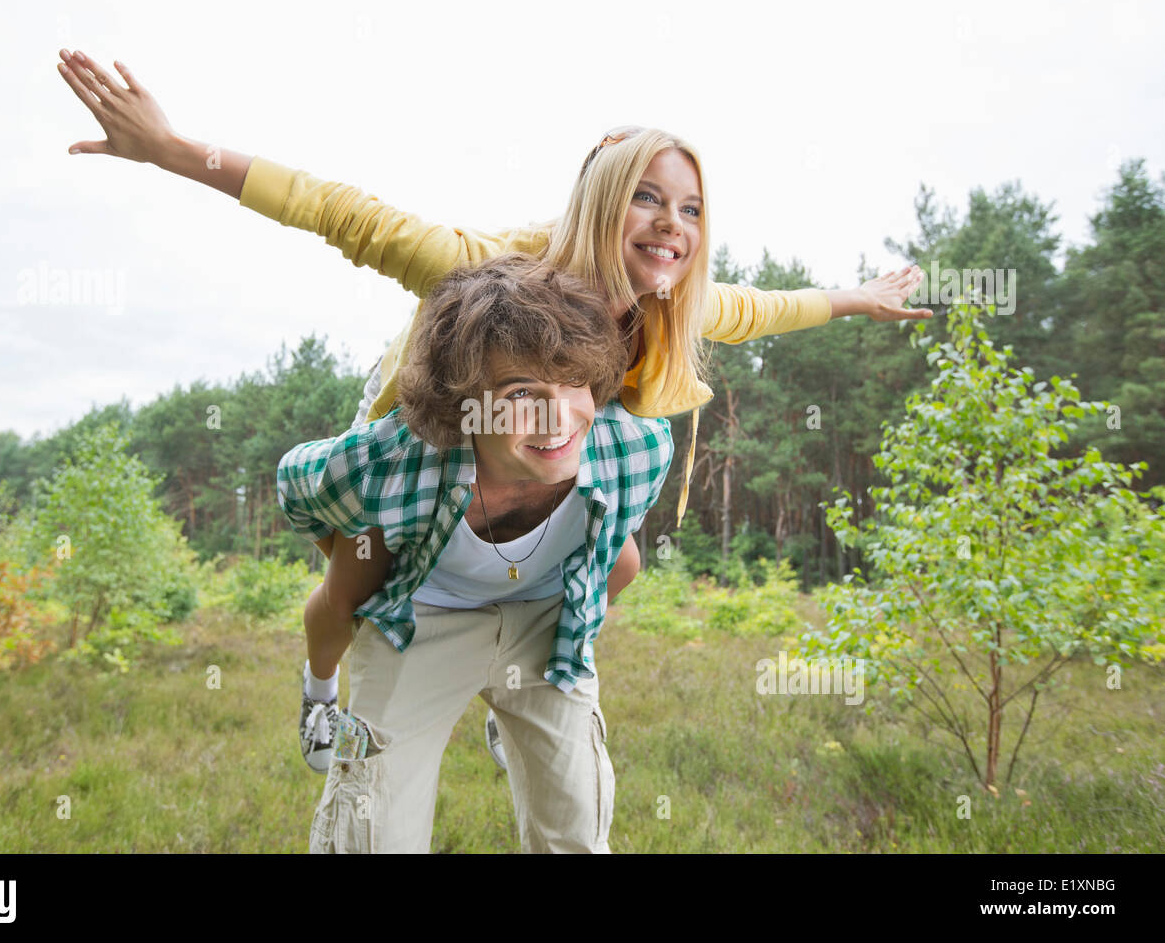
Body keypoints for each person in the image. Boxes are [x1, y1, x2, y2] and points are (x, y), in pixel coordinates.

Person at [53, 48, 931, 766]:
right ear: (601, 198)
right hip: (434, 445)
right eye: (649, 197)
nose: (674, 223)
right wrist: (173, 149)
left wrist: (858, 297)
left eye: (692, 208)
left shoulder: (675, 306)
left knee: (621, 567)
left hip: (539, 469)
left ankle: (518, 690)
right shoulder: (492, 267)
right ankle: (321, 695)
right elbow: (343, 214)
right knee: (354, 585)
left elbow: (771, 307)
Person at [278, 252, 672, 851]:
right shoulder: (383, 465)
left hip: (544, 616)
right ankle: (320, 693)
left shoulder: (638, 446)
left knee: (576, 823)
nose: (557, 417)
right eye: (520, 392)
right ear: (462, 405)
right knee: (373, 829)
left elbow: (614, 547)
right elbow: (296, 483)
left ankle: (512, 708)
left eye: (574, 381)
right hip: (423, 614)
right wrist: (354, 543)